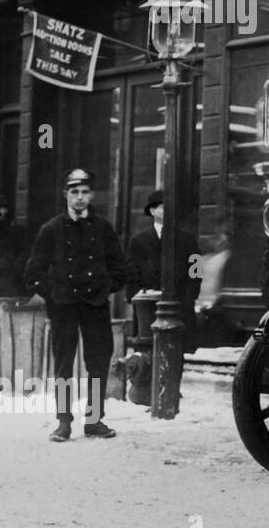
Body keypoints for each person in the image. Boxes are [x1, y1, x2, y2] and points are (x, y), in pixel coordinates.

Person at [24, 169, 135, 441]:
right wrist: (54, 293)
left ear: (92, 195)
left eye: (85, 192)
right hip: (63, 307)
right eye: (74, 192)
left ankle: (94, 420)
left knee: (97, 363)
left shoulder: (102, 228)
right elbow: (32, 274)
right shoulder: (51, 230)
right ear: (66, 195)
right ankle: (63, 422)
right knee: (63, 365)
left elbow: (120, 268)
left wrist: (104, 287)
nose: (80, 198)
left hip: (95, 305)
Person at [126, 190, 202, 353]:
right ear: (152, 211)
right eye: (162, 207)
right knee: (148, 350)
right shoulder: (139, 241)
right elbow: (131, 273)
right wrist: (138, 296)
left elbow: (196, 269)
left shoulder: (187, 239)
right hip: (148, 306)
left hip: (179, 304)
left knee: (177, 350)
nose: (167, 211)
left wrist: (190, 295)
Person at [0, 194, 29, 297]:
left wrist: (13, 273)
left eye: (1, 208)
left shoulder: (17, 231)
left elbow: (23, 255)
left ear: (6, 210)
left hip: (8, 280)